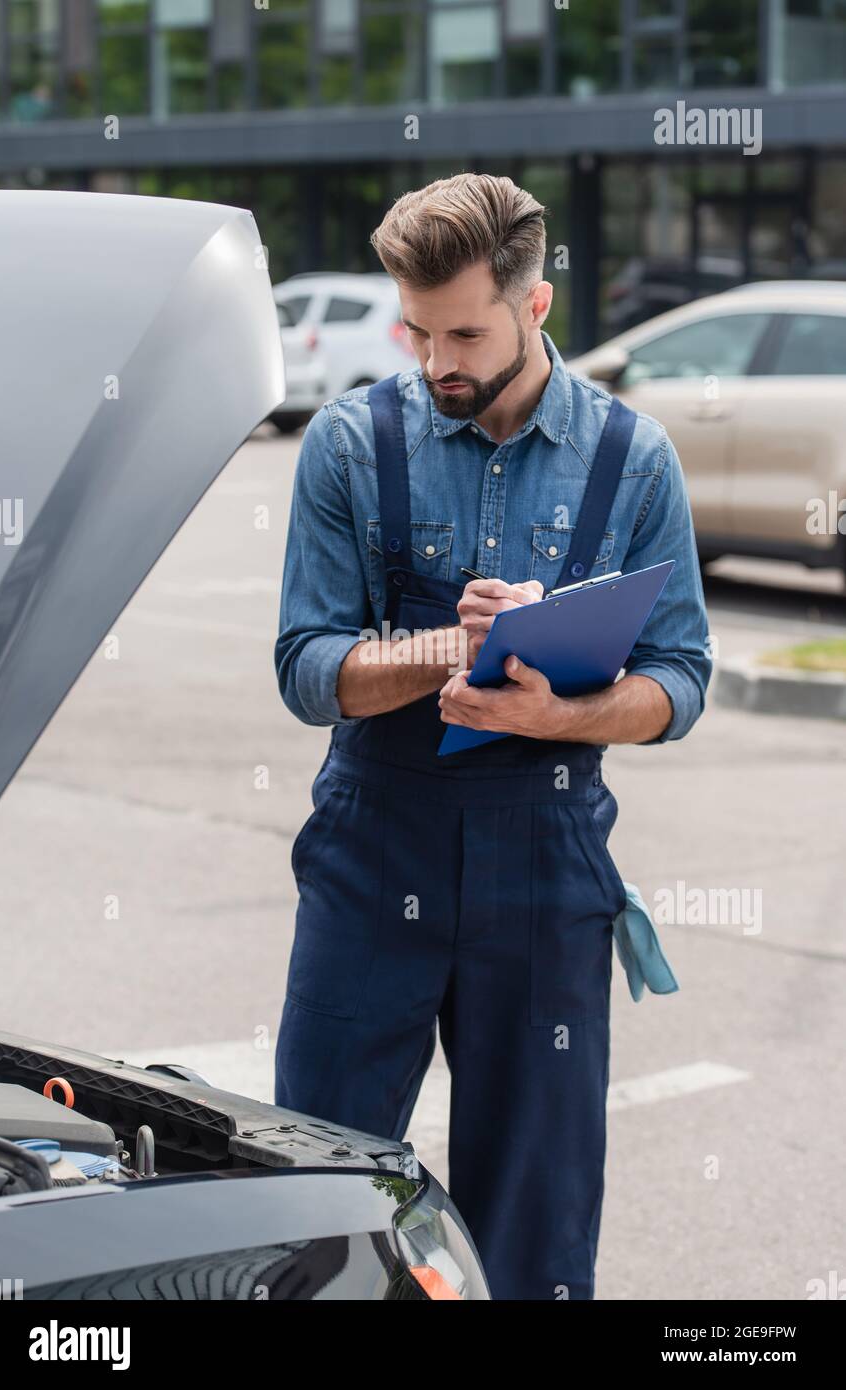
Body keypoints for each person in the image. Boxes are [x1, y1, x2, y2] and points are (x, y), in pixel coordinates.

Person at [273, 172, 712, 1300]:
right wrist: (442, 653)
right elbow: (308, 670)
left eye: (464, 330)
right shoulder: (346, 445)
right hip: (375, 850)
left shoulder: (634, 460)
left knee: (536, 1219)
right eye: (414, 329)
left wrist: (562, 713)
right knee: (317, 1191)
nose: (435, 362)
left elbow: (680, 678)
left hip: (546, 860)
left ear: (537, 305)